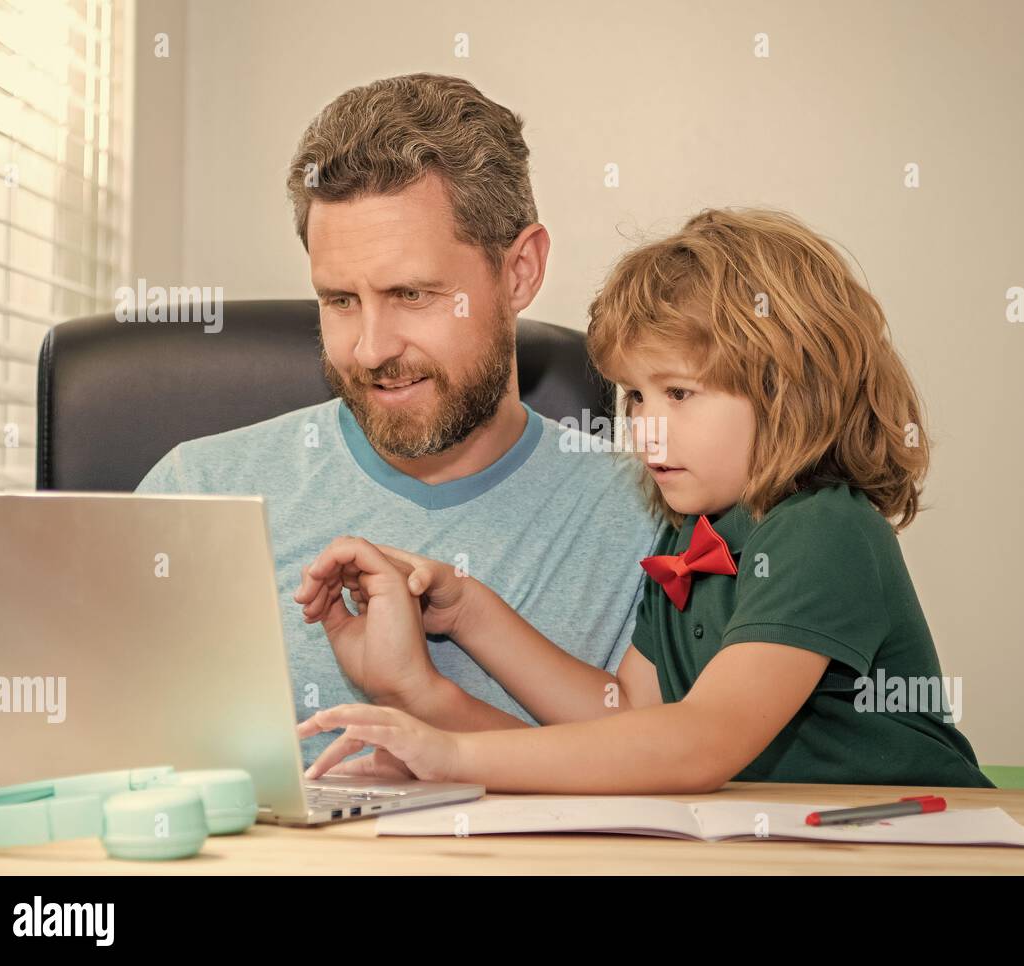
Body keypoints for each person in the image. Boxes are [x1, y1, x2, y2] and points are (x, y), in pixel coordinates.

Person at [293, 207, 994, 791]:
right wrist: (471, 616)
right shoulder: (693, 535)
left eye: (680, 393)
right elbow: (622, 718)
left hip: (920, 847)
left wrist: (452, 757)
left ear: (790, 392)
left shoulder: (823, 530)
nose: (646, 427)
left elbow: (701, 742)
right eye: (634, 395)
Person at [135, 74, 664, 766]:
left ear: (520, 271)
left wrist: (426, 699)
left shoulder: (651, 512)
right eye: (340, 301)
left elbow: (665, 784)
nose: (371, 349)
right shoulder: (196, 492)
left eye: (411, 294)